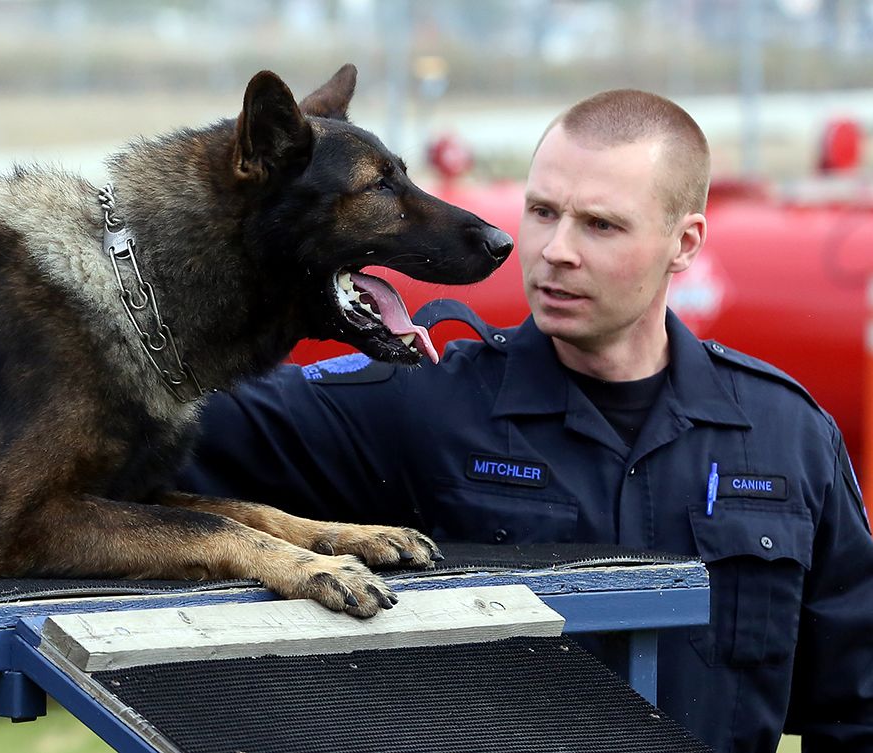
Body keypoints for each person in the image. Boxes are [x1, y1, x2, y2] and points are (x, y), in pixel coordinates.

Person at [173, 90, 873, 752]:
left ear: (684, 244)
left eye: (600, 224)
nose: (555, 249)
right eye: (542, 211)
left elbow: (855, 704)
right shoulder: (420, 404)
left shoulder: (788, 437)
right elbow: (165, 425)